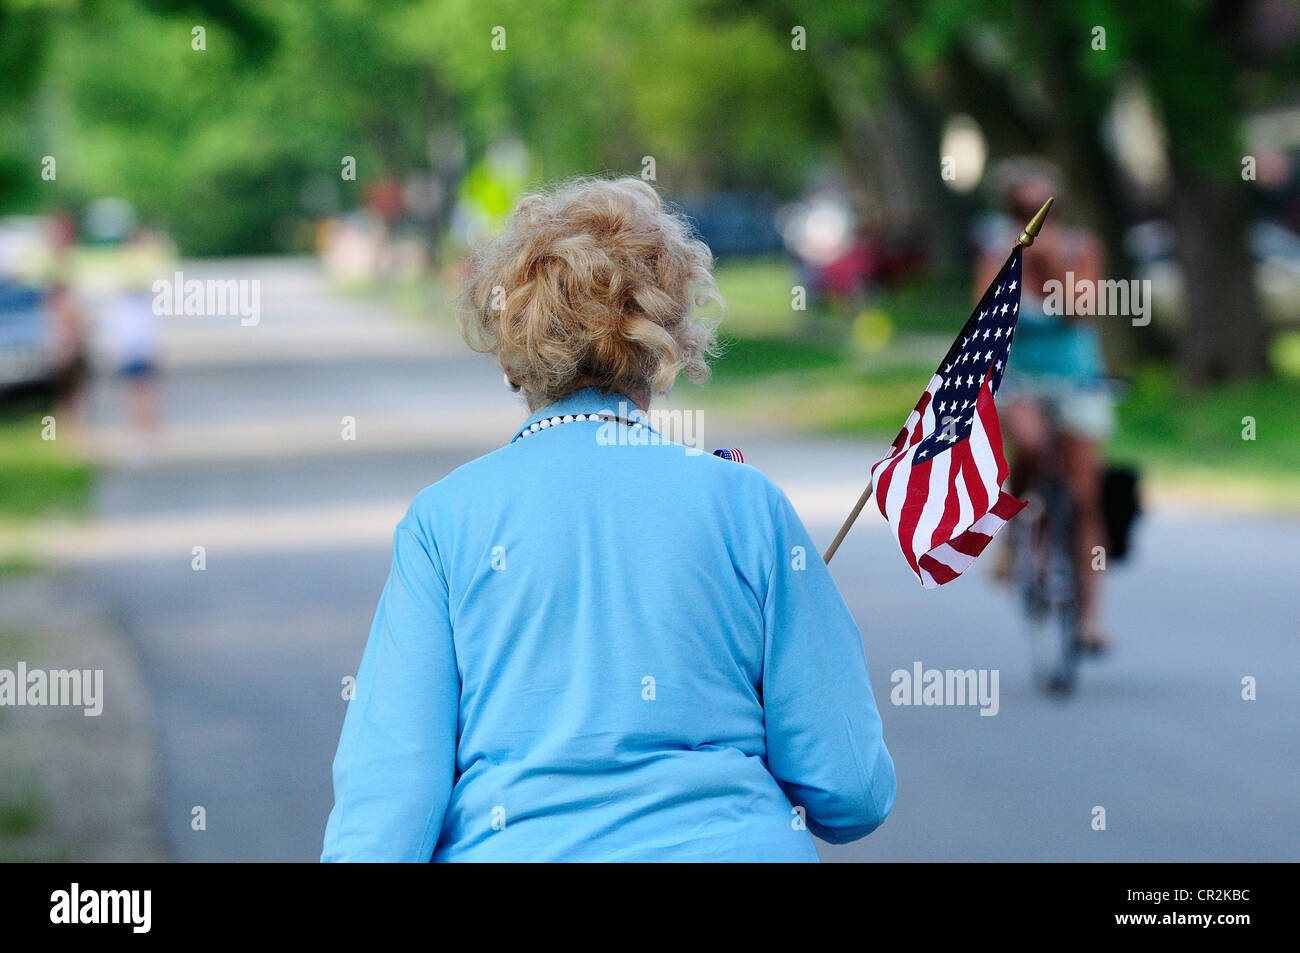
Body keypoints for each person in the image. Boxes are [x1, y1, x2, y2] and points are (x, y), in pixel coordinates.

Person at [322, 177, 895, 862]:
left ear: (509, 356)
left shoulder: (445, 521)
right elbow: (851, 787)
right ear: (667, 346)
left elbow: (390, 804)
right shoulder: (746, 505)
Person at [976, 169, 1116, 653]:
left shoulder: (1080, 248)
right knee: (1030, 446)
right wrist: (1017, 267)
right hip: (1022, 378)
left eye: (1045, 210)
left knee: (1083, 497)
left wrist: (1054, 264)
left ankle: (1089, 619)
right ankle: (1016, 533)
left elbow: (1081, 313)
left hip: (1078, 377)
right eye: (1023, 211)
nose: (1035, 221)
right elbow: (985, 321)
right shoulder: (997, 252)